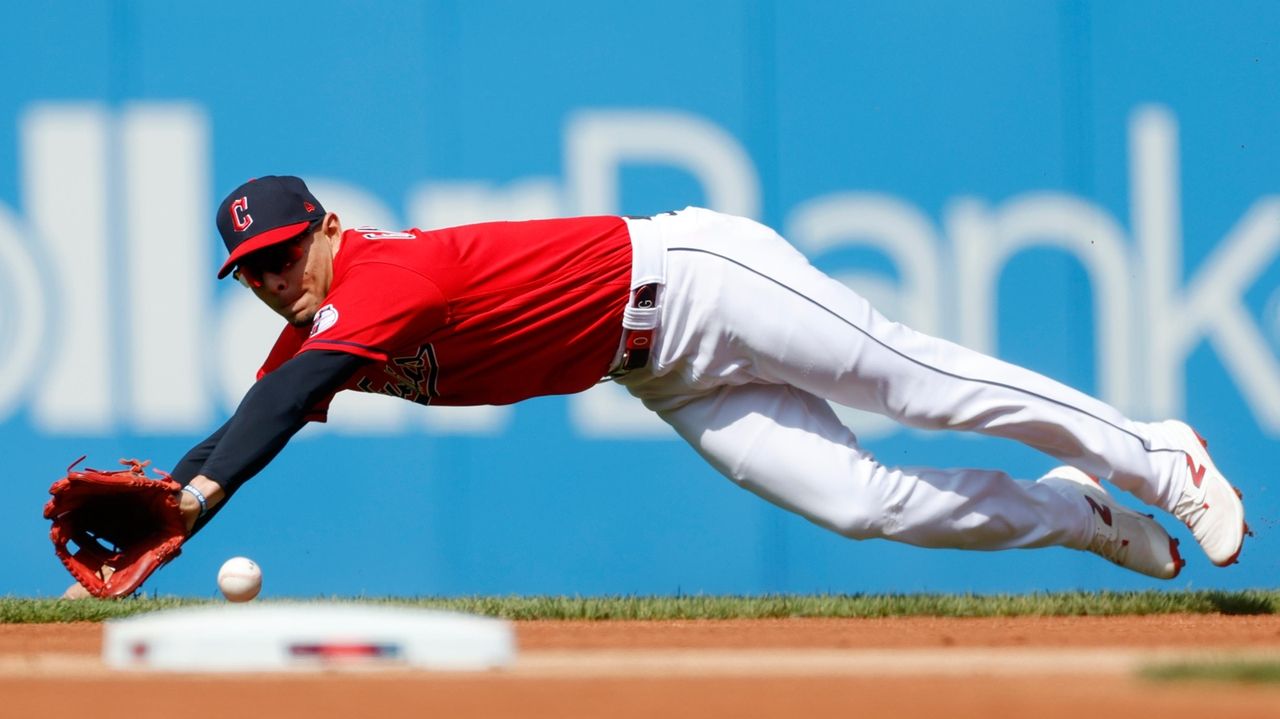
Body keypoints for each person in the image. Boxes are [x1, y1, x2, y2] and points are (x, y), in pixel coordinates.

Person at [62, 175, 1249, 597]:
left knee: (924, 384)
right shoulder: (320, 332)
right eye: (246, 270)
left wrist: (199, 489)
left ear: (321, 228)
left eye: (276, 253)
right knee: (863, 503)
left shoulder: (382, 278)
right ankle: (1078, 514)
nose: (265, 278)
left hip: (698, 280)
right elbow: (247, 419)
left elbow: (270, 409)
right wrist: (173, 494)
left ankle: (1156, 455)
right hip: (660, 372)